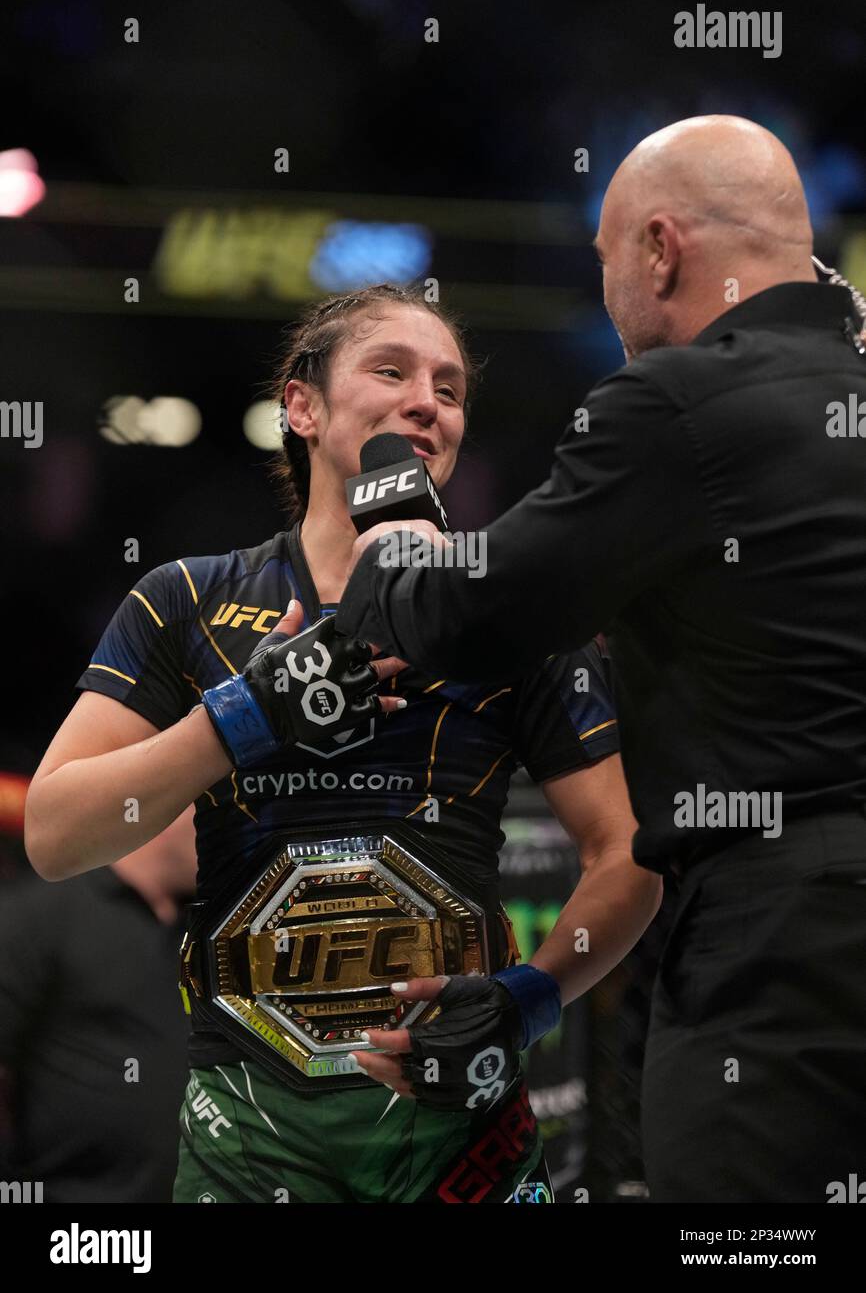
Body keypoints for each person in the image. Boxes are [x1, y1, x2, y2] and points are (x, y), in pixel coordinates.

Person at [24, 284, 661, 1204]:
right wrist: (243, 717)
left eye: (449, 388)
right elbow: (54, 834)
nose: (426, 401)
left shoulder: (515, 616)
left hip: (457, 1121)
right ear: (302, 406)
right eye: (391, 371)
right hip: (251, 1130)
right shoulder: (186, 600)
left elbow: (627, 854)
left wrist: (530, 999)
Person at [337, 118, 866, 1203]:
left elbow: (461, 616)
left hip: (789, 949)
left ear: (659, 249)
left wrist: (393, 519)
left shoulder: (683, 401)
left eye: (608, 264)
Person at [0, 807, 196, 1203]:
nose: (240, 830)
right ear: (170, 809)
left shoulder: (205, 931)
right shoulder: (41, 912)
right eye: (216, 812)